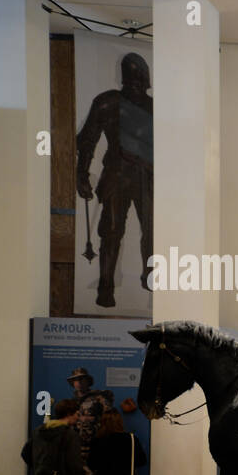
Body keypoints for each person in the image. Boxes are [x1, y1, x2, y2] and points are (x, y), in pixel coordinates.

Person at [76, 51, 153, 307]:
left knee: (152, 232)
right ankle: (105, 287)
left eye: (138, 82)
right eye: (131, 81)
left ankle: (150, 278)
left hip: (147, 176)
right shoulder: (107, 103)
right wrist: (82, 174)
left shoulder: (155, 108)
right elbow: (88, 140)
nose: (134, 86)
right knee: (110, 233)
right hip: (117, 175)